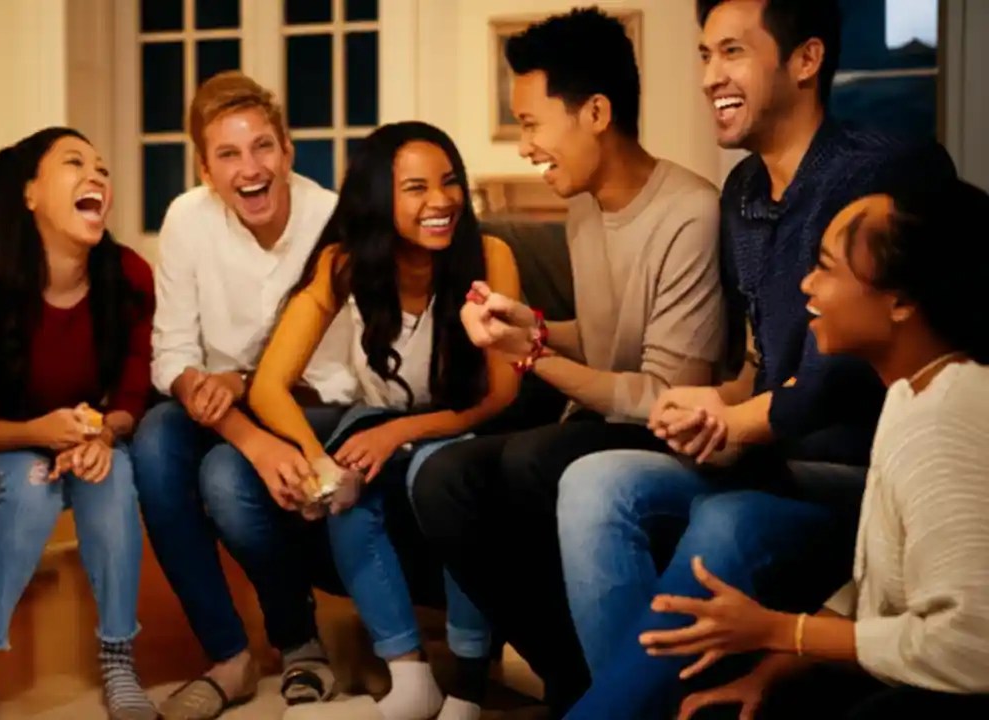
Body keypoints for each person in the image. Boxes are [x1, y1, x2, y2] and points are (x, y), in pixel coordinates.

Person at [555, 1, 958, 717]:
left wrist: (735, 421)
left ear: (805, 61)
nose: (710, 76)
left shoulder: (884, 169)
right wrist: (712, 408)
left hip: (860, 474)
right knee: (595, 482)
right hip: (777, 457)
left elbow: (835, 383)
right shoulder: (741, 192)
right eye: (704, 55)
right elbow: (764, 363)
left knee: (728, 522)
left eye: (732, 52)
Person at [408, 8, 728, 712]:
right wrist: (535, 325)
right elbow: (612, 332)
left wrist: (529, 356)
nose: (527, 146)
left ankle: (601, 687)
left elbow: (665, 394)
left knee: (527, 464)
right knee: (441, 478)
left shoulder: (690, 214)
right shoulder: (585, 205)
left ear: (596, 113)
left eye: (531, 123)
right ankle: (577, 677)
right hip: (607, 413)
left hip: (668, 431)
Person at [642, 180, 989, 719]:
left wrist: (784, 630)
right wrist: (773, 666)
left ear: (900, 300)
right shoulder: (908, 392)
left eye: (827, 267)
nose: (808, 285)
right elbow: (882, 590)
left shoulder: (950, 415)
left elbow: (970, 648)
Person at [246, 120, 520, 720]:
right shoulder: (344, 264)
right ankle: (410, 680)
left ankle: (469, 689)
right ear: (379, 199)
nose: (441, 201)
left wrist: (398, 432)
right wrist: (318, 462)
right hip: (381, 429)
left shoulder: (490, 256)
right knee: (346, 474)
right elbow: (268, 386)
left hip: (465, 435)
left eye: (449, 182)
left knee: (437, 475)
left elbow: (500, 394)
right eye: (416, 188)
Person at [130, 71, 357, 720]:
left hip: (311, 400)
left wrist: (248, 388)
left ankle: (299, 643)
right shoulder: (186, 218)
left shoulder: (332, 220)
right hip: (220, 406)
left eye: (262, 147)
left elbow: (344, 370)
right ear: (206, 169)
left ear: (288, 150)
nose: (249, 168)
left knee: (227, 480)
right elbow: (170, 354)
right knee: (154, 441)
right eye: (228, 154)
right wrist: (212, 393)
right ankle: (228, 656)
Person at [0, 127, 156, 720]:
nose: (97, 177)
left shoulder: (129, 273)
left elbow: (134, 389)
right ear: (29, 193)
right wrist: (43, 434)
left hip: (78, 433)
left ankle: (118, 657)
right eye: (75, 163)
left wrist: (102, 435)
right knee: (31, 491)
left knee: (112, 478)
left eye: (103, 168)